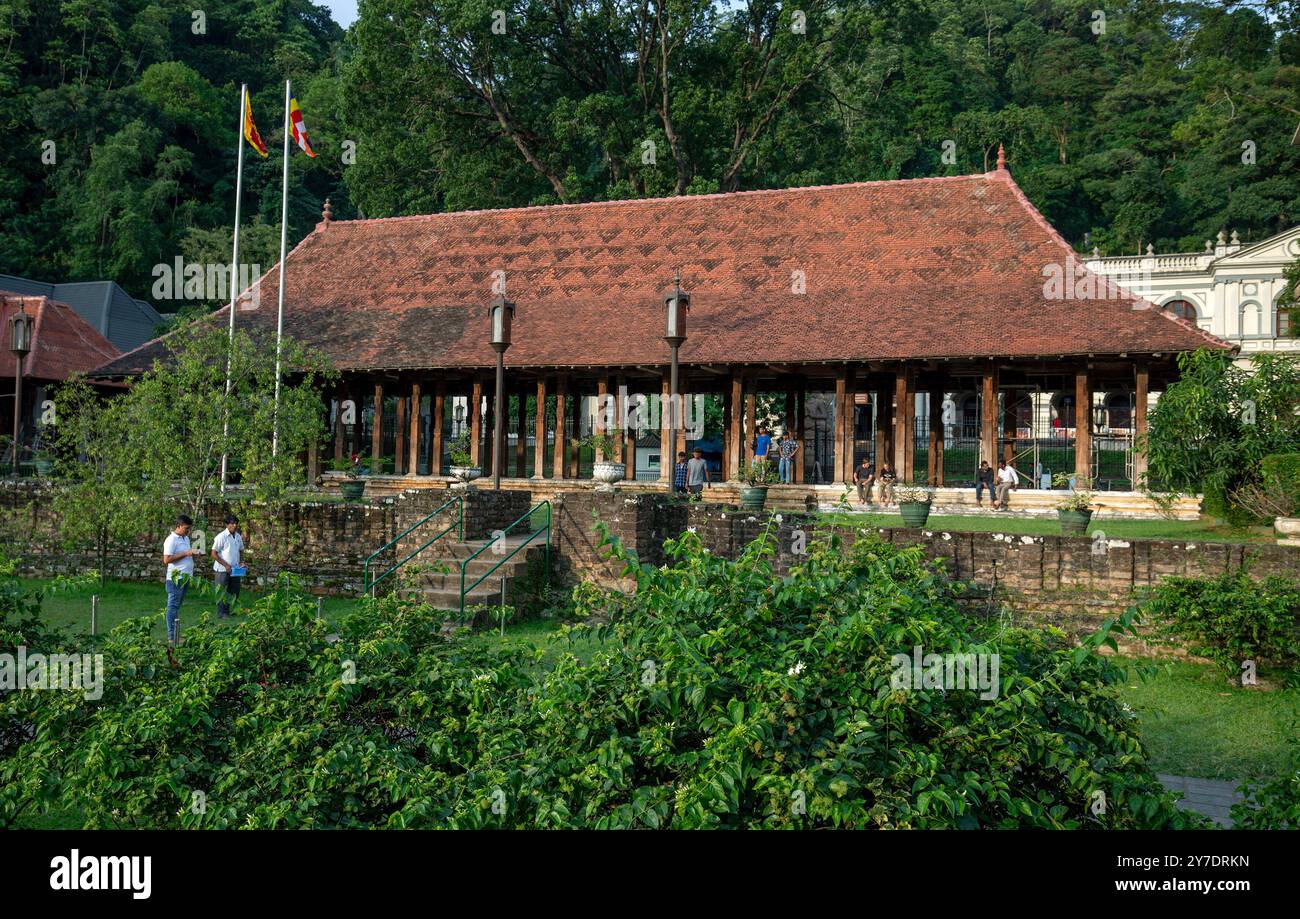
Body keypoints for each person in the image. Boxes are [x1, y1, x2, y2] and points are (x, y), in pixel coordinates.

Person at [162, 514, 199, 645]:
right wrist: (185, 553)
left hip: (185, 578)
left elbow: (187, 555)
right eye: (186, 528)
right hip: (175, 579)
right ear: (178, 526)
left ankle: (176, 634)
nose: (188, 531)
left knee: (176, 607)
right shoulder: (171, 540)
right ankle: (172, 636)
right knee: (172, 607)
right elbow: (166, 560)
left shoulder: (185, 538)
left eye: (189, 529)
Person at [211, 514, 246, 620]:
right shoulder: (221, 537)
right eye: (232, 523)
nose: (234, 525)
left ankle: (231, 610)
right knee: (222, 591)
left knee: (234, 591)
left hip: (235, 570)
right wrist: (225, 565)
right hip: (222, 570)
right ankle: (222, 613)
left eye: (236, 523)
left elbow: (241, 550)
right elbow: (213, 553)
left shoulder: (238, 536)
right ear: (227, 524)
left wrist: (242, 562)